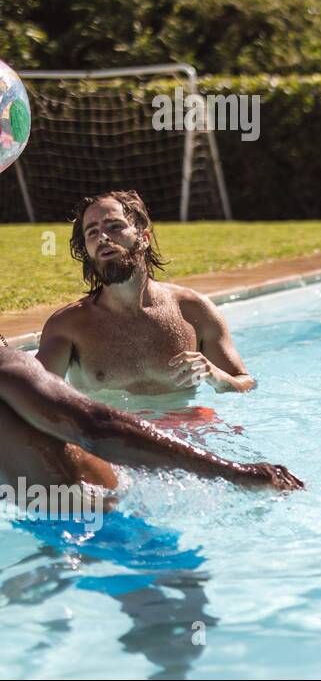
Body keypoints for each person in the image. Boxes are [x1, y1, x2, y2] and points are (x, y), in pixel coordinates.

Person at [0, 345, 301, 501]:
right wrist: (235, 472)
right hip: (104, 522)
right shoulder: (7, 366)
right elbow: (95, 426)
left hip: (42, 525)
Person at [36, 190, 255, 395]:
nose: (103, 237)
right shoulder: (68, 326)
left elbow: (245, 383)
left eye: (114, 226)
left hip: (188, 429)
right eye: (92, 232)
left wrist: (217, 376)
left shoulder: (193, 309)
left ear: (144, 238)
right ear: (87, 250)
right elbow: (33, 394)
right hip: (112, 434)